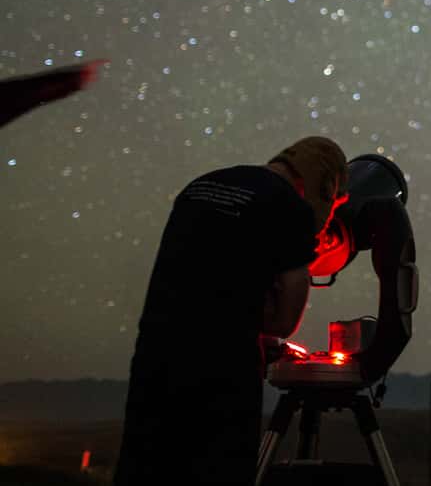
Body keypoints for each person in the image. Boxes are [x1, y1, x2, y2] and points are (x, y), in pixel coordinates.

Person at [114, 135, 349, 486]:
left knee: (146, 470)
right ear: (328, 187)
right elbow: (284, 321)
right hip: (222, 378)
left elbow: (203, 278)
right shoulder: (290, 206)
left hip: (155, 364)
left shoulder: (201, 186)